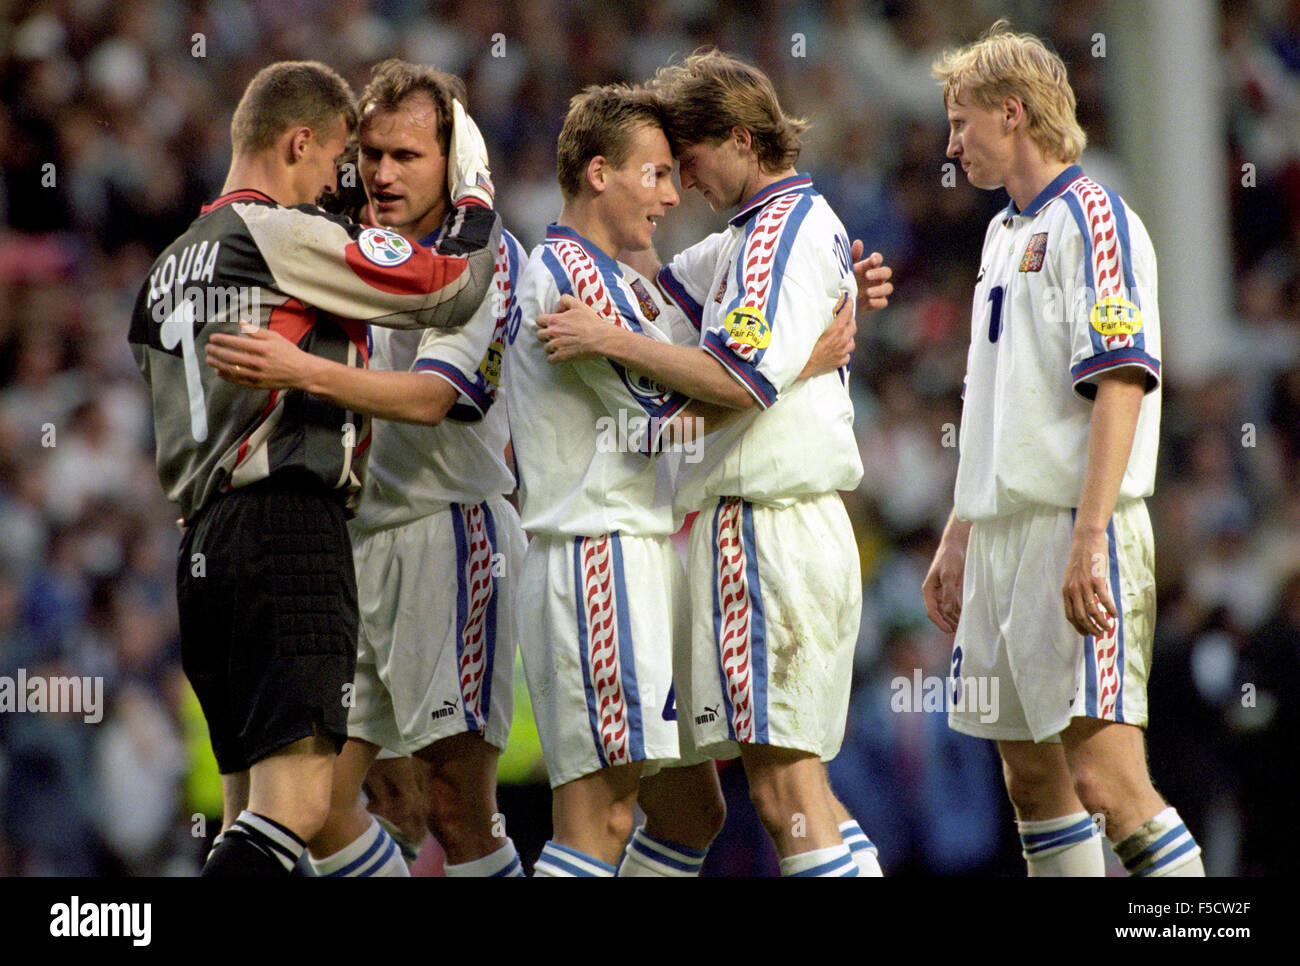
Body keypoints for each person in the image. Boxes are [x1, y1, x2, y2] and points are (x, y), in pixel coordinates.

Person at [129, 59, 500, 876]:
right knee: (296, 806)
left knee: (248, 812)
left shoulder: (164, 270)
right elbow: (450, 287)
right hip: (286, 526)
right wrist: (472, 191)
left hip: (202, 547)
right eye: (341, 160)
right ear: (300, 142)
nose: (349, 182)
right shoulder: (281, 233)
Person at [536, 49, 886, 877]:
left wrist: (604, 336)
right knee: (791, 795)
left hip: (766, 530)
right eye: (661, 172)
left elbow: (732, 377)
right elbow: (664, 291)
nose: (680, 186)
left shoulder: (770, 238)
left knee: (785, 798)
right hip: (793, 525)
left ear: (737, 138)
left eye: (684, 164)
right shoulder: (780, 231)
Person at [921, 22, 1203, 876]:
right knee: (1031, 780)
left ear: (1012, 114)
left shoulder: (1098, 219)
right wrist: (960, 530)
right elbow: (999, 404)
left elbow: (1121, 381)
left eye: (961, 122)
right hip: (1003, 534)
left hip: (1078, 531)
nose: (950, 143)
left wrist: (1088, 537)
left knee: (1106, 780)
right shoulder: (1002, 233)